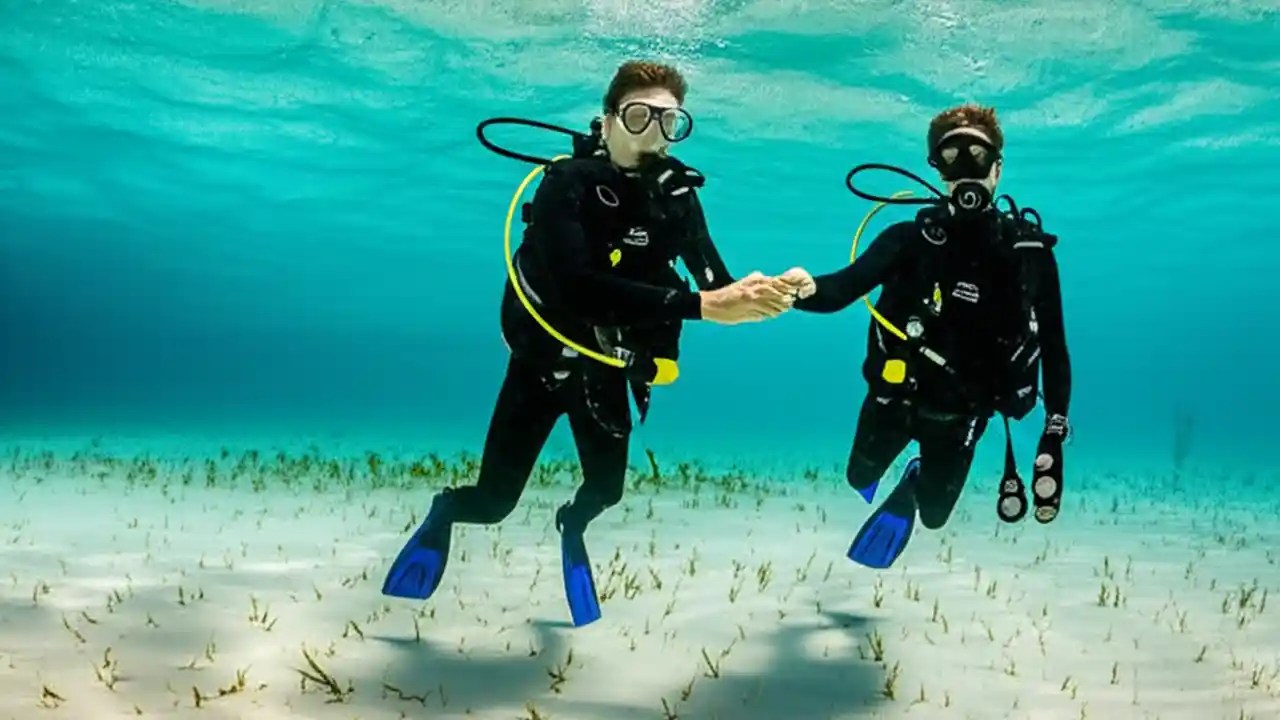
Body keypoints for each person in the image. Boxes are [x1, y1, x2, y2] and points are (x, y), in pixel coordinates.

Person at [382, 60, 796, 624]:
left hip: (607, 365)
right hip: (542, 365)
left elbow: (714, 284)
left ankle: (571, 523)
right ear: (605, 124)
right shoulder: (567, 185)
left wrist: (765, 290)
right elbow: (578, 291)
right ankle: (446, 510)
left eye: (669, 122)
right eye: (637, 116)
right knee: (495, 502)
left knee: (607, 491)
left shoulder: (678, 198)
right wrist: (703, 307)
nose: (653, 133)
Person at [779, 103, 1073, 569]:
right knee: (859, 476)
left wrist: (1055, 428)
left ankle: (914, 481)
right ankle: (890, 469)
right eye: (950, 159)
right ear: (937, 171)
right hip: (897, 395)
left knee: (934, 516)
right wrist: (798, 290)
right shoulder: (908, 239)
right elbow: (843, 286)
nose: (965, 172)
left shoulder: (1029, 253)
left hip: (963, 414)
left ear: (997, 168)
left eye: (977, 157)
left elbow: (1055, 345)